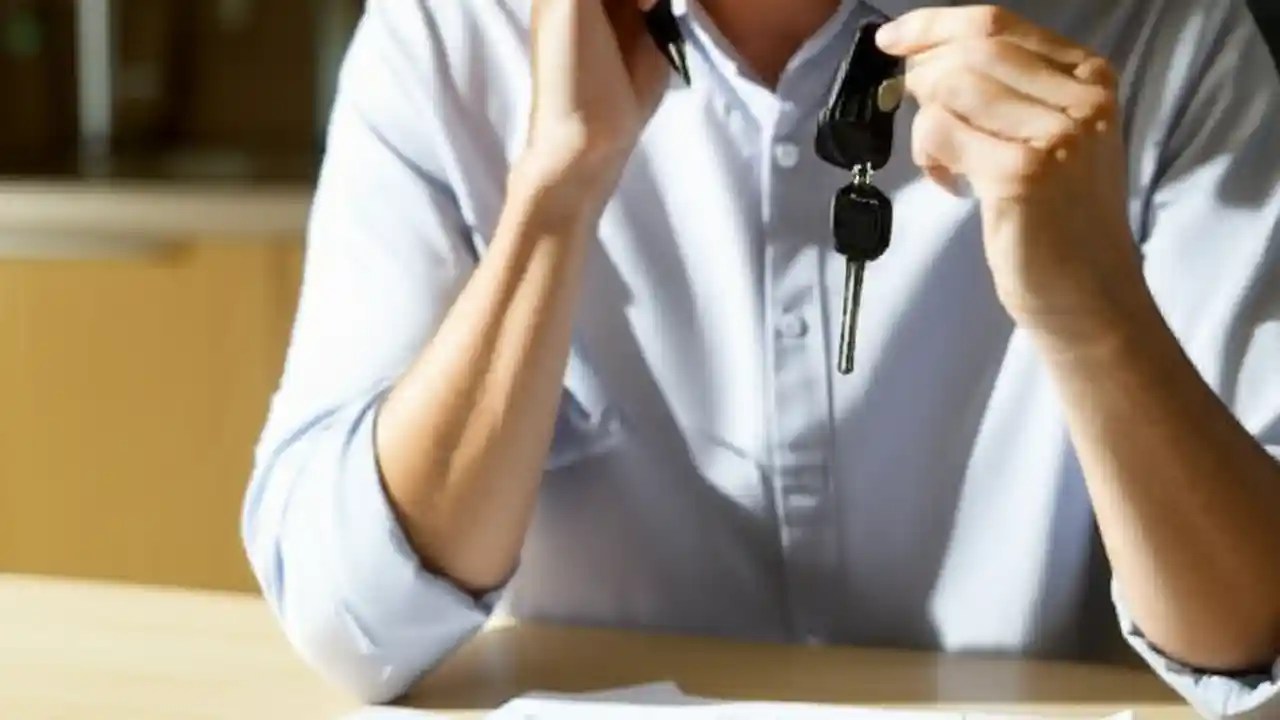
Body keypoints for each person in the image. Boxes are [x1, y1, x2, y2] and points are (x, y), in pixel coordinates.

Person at [241, 0, 1280, 716]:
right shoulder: (448, 36)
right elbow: (351, 617)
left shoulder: (1160, 35)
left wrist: (1091, 312)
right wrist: (554, 199)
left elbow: (1257, 643)